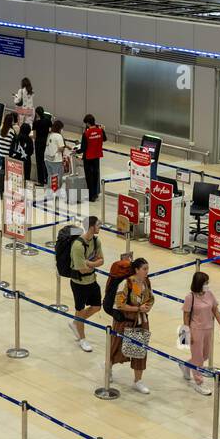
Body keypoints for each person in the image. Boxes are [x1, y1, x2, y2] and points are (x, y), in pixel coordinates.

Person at [109, 257, 154, 394]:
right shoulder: (126, 283)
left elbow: (150, 298)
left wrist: (147, 307)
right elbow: (120, 304)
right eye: (144, 269)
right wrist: (138, 309)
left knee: (140, 350)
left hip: (141, 321)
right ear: (136, 269)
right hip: (125, 321)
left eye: (147, 268)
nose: (147, 271)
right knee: (116, 347)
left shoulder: (146, 282)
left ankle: (138, 381)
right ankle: (108, 368)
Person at [181, 271, 220, 396]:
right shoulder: (190, 297)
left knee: (205, 355)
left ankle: (185, 365)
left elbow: (215, 309)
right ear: (199, 283)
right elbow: (186, 315)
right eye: (205, 283)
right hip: (196, 329)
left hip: (208, 328)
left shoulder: (209, 294)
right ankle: (199, 382)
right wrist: (188, 333)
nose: (207, 285)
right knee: (198, 358)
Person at [67, 216, 105, 352]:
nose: (100, 227)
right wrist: (92, 264)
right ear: (91, 227)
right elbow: (82, 269)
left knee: (96, 306)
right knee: (80, 309)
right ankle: (82, 339)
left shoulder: (96, 241)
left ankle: (76, 322)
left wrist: (90, 263)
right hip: (79, 284)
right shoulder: (77, 246)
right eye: (98, 225)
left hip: (92, 280)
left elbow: (102, 261)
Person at [80, 114, 105, 202]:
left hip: (88, 157)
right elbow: (104, 139)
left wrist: (76, 151)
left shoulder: (86, 133)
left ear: (87, 123)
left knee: (89, 177)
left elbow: (83, 148)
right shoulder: (100, 130)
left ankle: (91, 196)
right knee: (95, 176)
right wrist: (102, 130)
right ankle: (95, 194)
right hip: (97, 156)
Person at [32, 107, 52, 185]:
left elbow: (34, 136)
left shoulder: (36, 123)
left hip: (38, 144)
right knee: (45, 161)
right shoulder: (48, 121)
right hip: (46, 143)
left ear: (36, 113)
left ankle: (41, 181)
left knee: (39, 162)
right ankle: (47, 179)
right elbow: (50, 131)